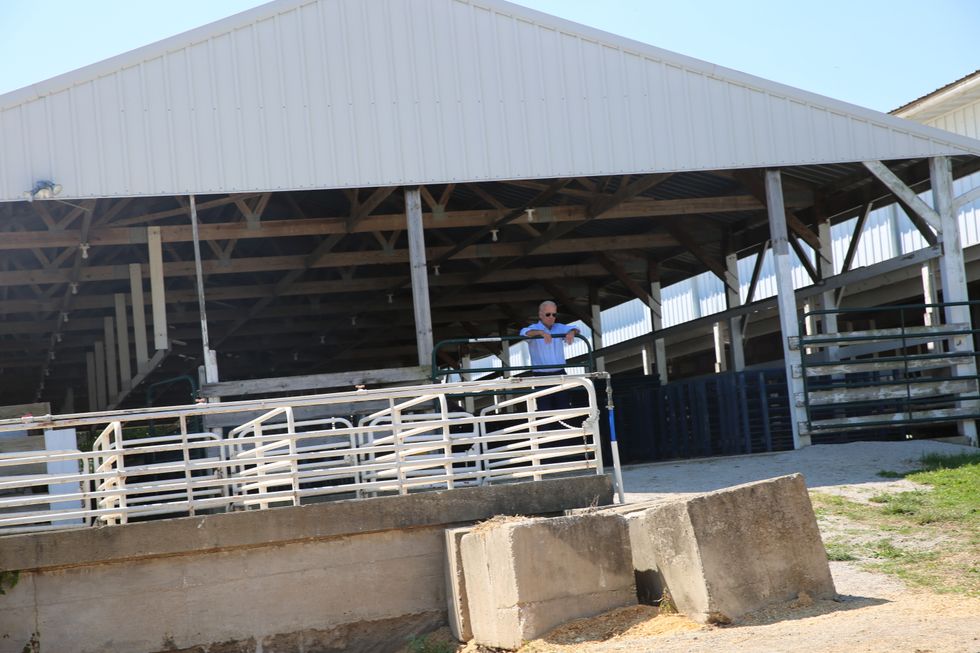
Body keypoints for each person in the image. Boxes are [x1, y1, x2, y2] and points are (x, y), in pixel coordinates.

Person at [520, 301, 580, 412]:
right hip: (541, 376)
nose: (551, 317)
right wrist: (541, 333)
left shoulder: (559, 327)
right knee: (545, 410)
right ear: (540, 315)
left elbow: (575, 328)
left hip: (560, 374)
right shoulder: (534, 328)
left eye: (554, 314)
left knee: (564, 408)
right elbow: (524, 332)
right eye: (548, 314)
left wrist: (571, 332)